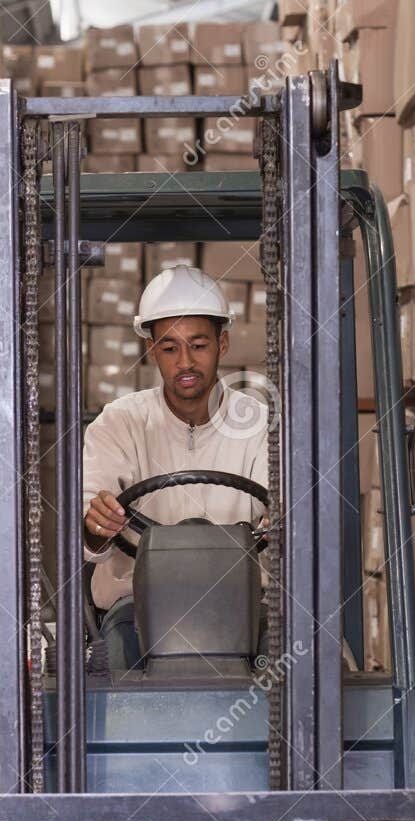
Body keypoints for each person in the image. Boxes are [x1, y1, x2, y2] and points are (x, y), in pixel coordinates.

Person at [82, 266, 269, 669]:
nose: (185, 362)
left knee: (297, 670)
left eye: (198, 345)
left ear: (223, 343)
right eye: (169, 349)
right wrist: (95, 527)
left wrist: (284, 519)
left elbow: (287, 510)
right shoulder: (119, 423)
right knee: (112, 672)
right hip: (134, 609)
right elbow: (87, 537)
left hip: (244, 607)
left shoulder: (260, 425)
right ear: (152, 351)